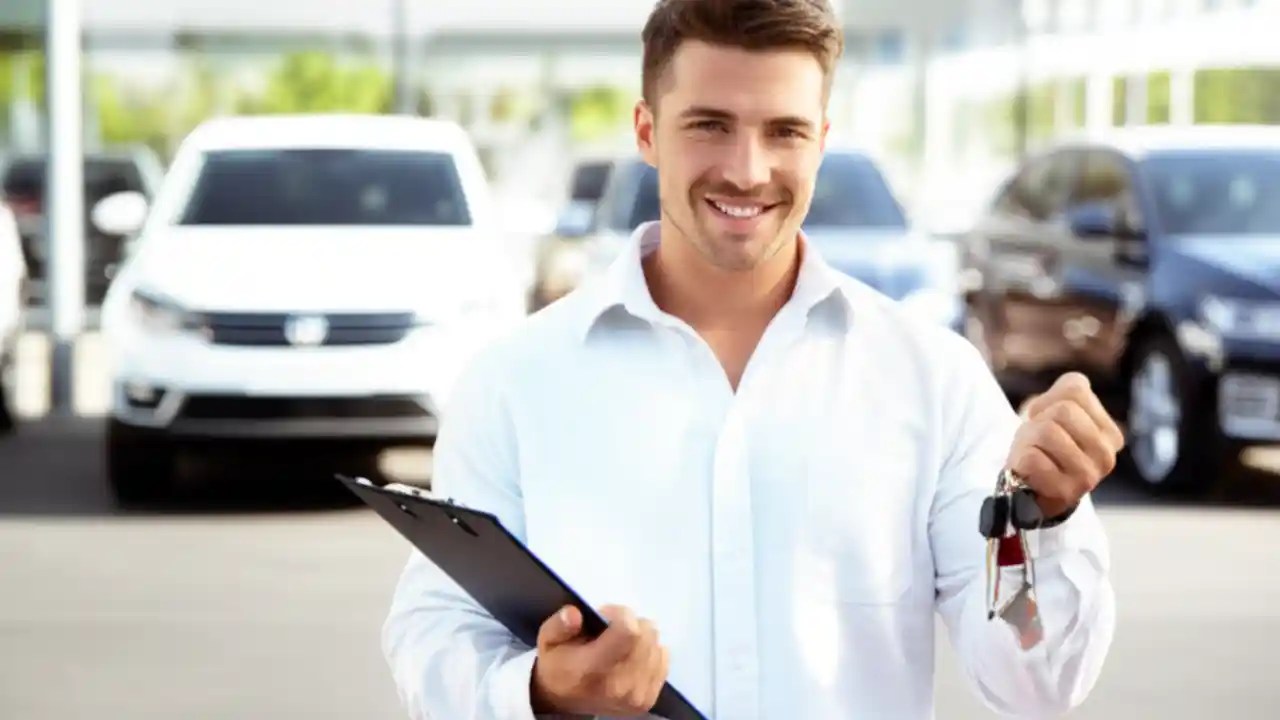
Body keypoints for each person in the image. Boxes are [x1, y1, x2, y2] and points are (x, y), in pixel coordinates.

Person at [381, 1, 1122, 718]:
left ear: (821, 140)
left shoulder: (934, 381)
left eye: (784, 131)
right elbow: (433, 639)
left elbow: (1036, 681)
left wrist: (1049, 522)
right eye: (710, 125)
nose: (747, 170)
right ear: (647, 131)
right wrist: (541, 692)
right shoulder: (515, 383)